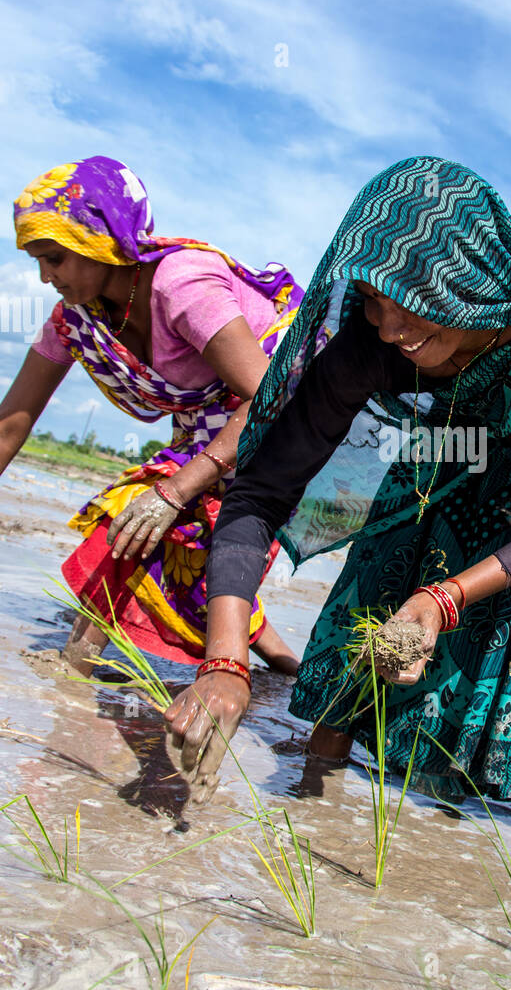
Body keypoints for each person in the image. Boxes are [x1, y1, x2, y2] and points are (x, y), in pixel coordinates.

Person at [166, 157, 511, 864]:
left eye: (407, 302)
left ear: (464, 282)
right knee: (395, 549)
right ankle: (315, 790)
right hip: (464, 419)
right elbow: (259, 493)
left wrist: (444, 599)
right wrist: (225, 662)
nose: (388, 327)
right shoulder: (373, 341)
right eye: (371, 301)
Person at [0, 155, 305, 674]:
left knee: (138, 517)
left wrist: (173, 491)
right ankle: (282, 664)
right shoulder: (76, 320)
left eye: (54, 258)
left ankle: (72, 671)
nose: (46, 276)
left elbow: (268, 395)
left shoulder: (181, 283)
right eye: (38, 262)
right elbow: (12, 421)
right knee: (197, 556)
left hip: (281, 420)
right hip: (211, 428)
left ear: (101, 239)